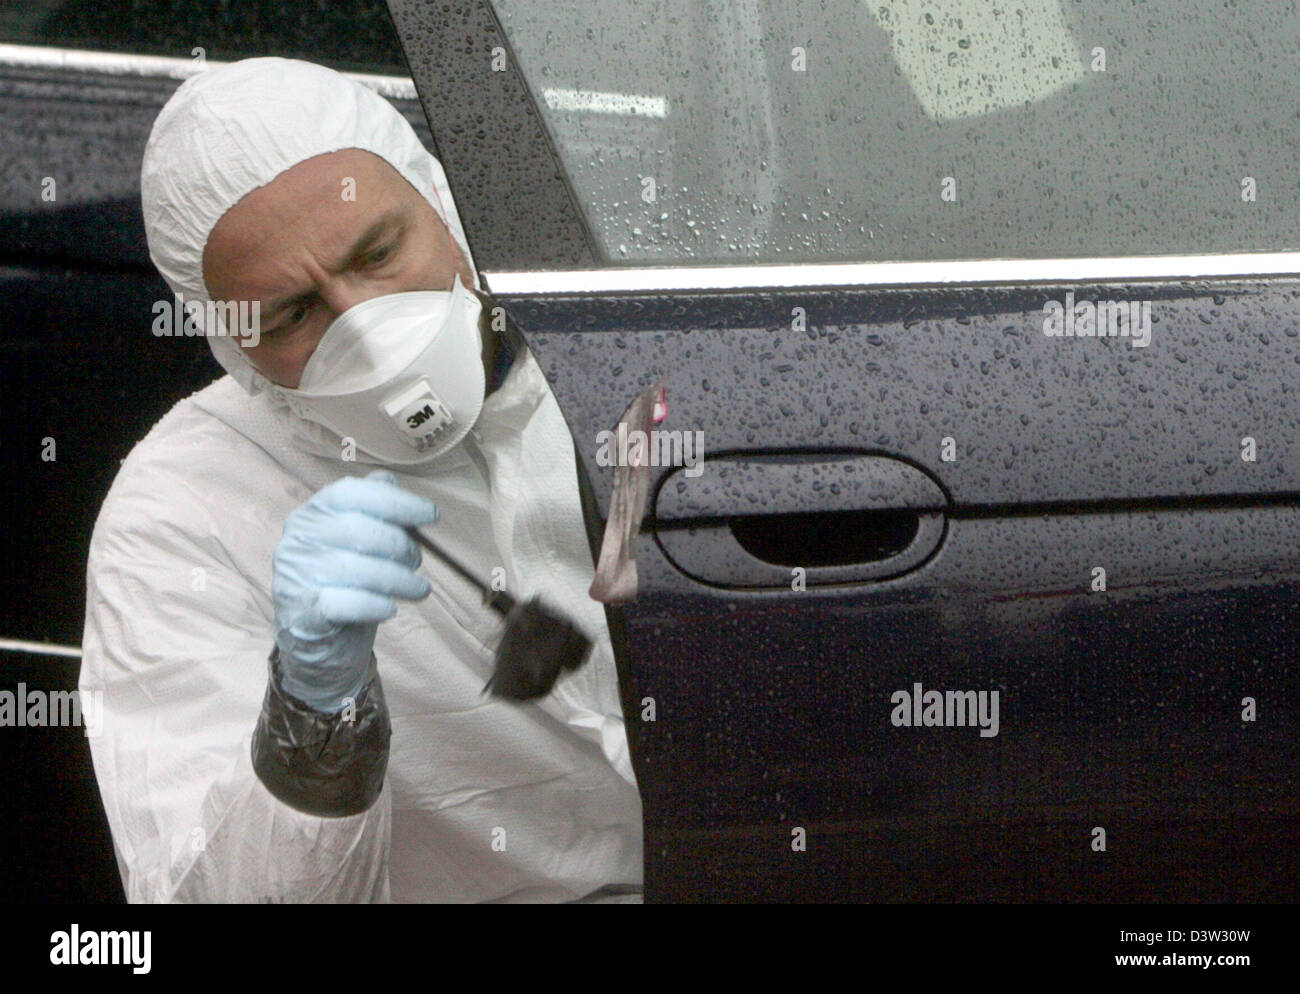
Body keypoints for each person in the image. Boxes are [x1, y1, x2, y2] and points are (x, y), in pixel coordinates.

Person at [78, 57, 643, 903]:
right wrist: (311, 714)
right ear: (236, 355)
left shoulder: (626, 351)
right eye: (292, 316)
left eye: (379, 252)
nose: (372, 339)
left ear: (443, 206)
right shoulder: (180, 514)